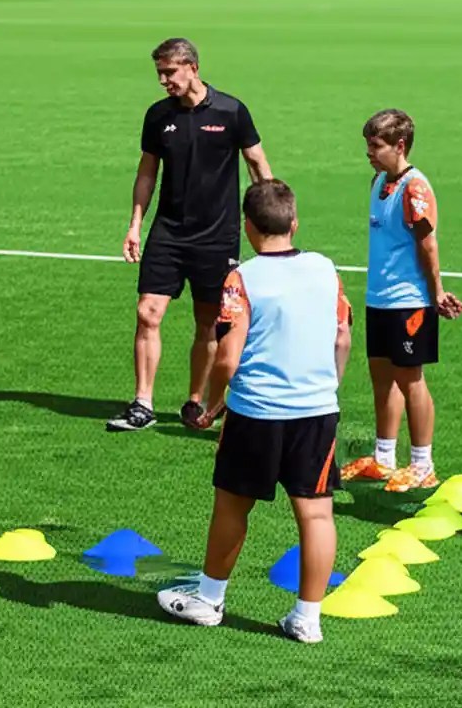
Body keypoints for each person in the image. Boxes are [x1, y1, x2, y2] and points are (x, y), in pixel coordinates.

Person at [157, 179, 351, 644]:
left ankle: (209, 599)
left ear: (248, 227)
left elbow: (227, 358)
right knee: (317, 513)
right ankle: (308, 617)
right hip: (317, 410)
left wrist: (214, 402)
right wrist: (327, 388)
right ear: (294, 222)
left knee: (231, 505)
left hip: (257, 413)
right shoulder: (325, 269)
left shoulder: (242, 278)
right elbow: (342, 338)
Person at [109, 37, 273, 432]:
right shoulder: (158, 116)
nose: (164, 81)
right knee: (148, 312)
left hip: (217, 236)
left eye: (170, 72)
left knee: (208, 322)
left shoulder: (232, 111)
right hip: (168, 232)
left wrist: (271, 226)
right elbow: (147, 172)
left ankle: (195, 401)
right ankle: (142, 403)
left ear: (192, 68)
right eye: (160, 74)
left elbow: (258, 166)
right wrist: (135, 223)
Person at [340, 110, 462, 492]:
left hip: (409, 301)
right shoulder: (378, 182)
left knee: (411, 380)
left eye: (376, 146)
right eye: (368, 146)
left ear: (400, 145)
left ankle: (423, 464)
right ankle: (384, 458)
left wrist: (436, 293)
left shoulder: (415, 188)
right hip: (380, 297)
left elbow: (428, 243)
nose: (369, 154)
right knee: (382, 378)